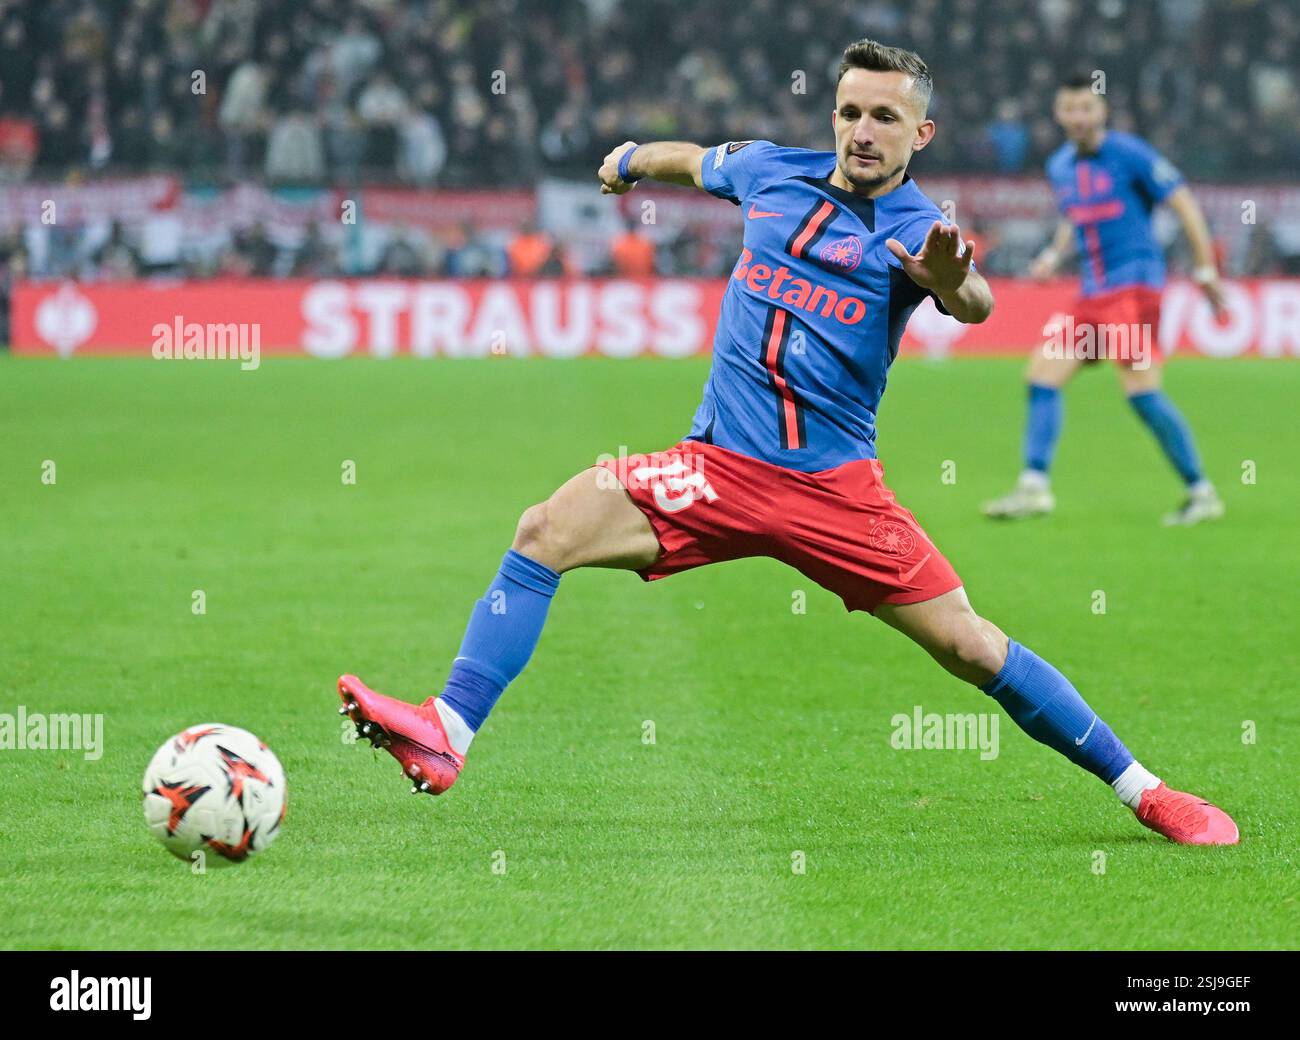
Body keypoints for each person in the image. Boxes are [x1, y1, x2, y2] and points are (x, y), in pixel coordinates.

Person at [337, 40, 1238, 846]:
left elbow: (975, 303)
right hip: (716, 468)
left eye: (886, 116)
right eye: (850, 111)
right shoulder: (771, 171)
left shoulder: (918, 234)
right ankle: (446, 731)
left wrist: (955, 287)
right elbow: (693, 159)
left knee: (970, 647)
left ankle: (1146, 792)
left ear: (921, 134)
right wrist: (628, 162)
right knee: (545, 528)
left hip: (835, 492)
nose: (863, 130)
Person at [983, 72, 1227, 525]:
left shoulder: (1129, 153)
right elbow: (1073, 218)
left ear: (1102, 112)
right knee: (1042, 374)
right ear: (1058, 114)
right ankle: (1034, 487)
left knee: (1140, 391)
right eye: (1070, 109)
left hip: (1132, 290)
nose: (1078, 117)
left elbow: (1185, 204)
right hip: (1092, 296)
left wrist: (1205, 269)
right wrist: (1054, 256)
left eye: (1086, 108)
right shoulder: (1059, 165)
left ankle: (1202, 491)